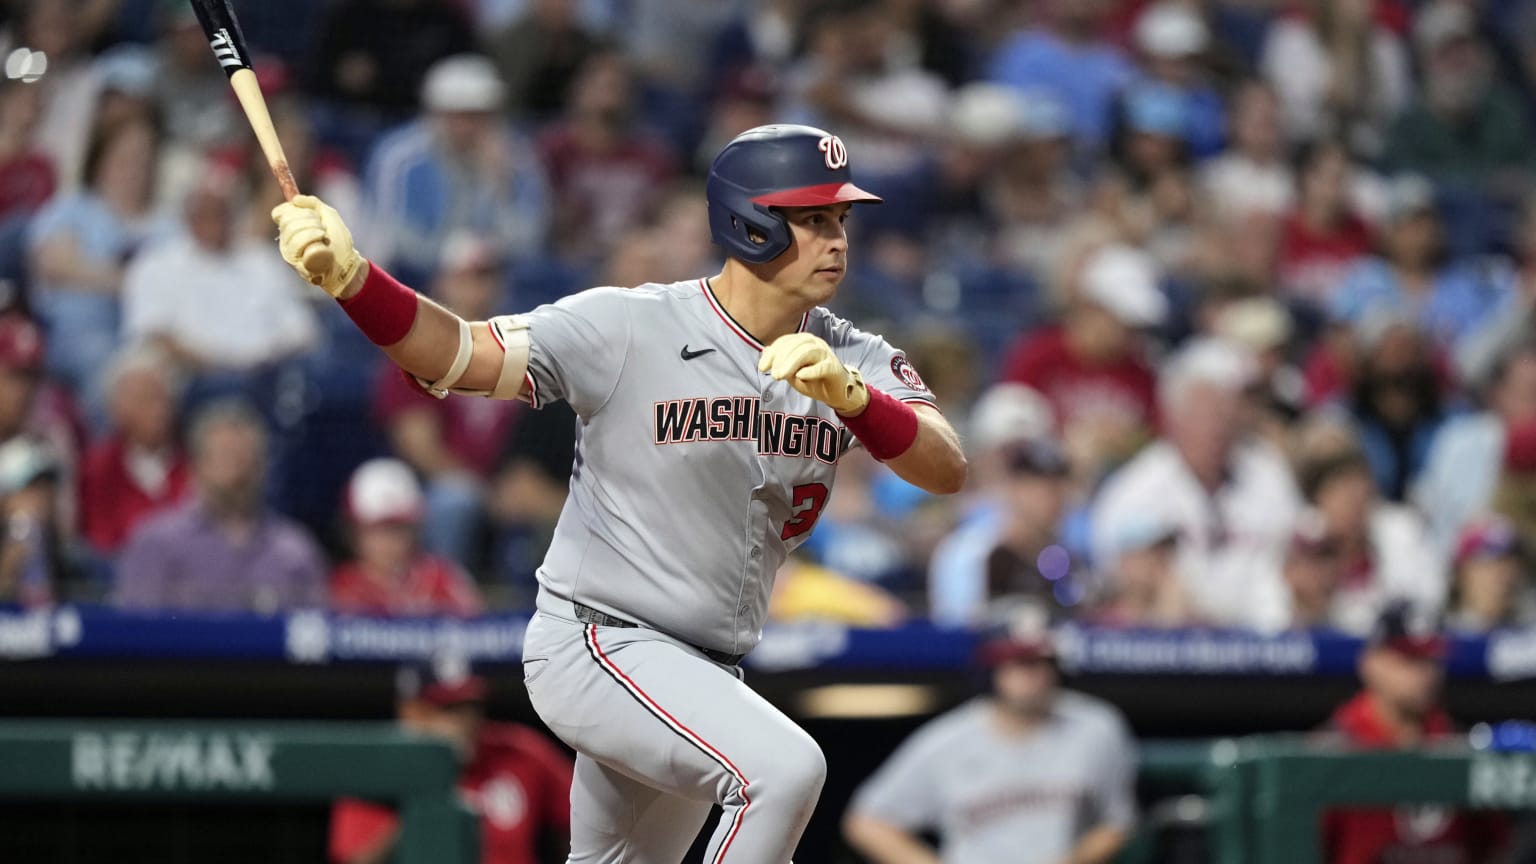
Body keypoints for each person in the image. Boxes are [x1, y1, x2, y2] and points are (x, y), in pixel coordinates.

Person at [271, 123, 967, 862]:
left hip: (700, 670)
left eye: (841, 220)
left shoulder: (855, 356)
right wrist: (354, 282)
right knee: (785, 770)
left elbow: (946, 467)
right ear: (749, 221)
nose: (838, 240)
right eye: (813, 218)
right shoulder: (631, 325)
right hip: (599, 639)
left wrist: (858, 400)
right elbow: (460, 354)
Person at [843, 612, 1136, 864]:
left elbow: (1118, 824)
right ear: (991, 670)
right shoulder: (947, 740)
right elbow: (867, 822)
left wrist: (1075, 860)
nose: (1032, 675)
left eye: (1040, 661)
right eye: (1018, 663)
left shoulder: (1097, 727)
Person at [1090, 338, 1301, 626]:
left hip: (1265, 642)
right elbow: (1118, 589)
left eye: (1225, 411)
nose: (1217, 425)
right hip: (1172, 648)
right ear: (1175, 418)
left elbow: (1294, 558)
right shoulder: (1134, 491)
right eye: (1205, 413)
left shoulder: (1268, 475)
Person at [329, 657, 573, 864]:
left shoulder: (519, 751)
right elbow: (354, 859)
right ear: (411, 714)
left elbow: (592, 816)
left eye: (471, 708)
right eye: (449, 710)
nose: (465, 722)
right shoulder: (377, 770)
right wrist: (420, 810)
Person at [1320, 602, 1508, 864]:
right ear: (1371, 663)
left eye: (1431, 660)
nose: (1424, 674)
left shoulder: (1461, 745)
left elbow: (1494, 847)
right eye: (1409, 660)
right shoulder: (1331, 749)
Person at [113, 400, 326, 614]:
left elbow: (313, 633)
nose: (237, 472)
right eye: (225, 457)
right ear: (196, 466)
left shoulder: (295, 549)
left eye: (245, 458)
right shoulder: (156, 543)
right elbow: (137, 632)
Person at [329, 458, 483, 617]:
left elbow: (475, 628)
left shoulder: (442, 577)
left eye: (399, 529)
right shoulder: (342, 586)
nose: (390, 541)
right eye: (378, 530)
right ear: (353, 533)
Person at [77, 345, 191, 556]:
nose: (157, 411)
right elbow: (99, 541)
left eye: (162, 398)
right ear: (117, 409)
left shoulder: (195, 464)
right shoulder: (97, 468)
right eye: (144, 400)